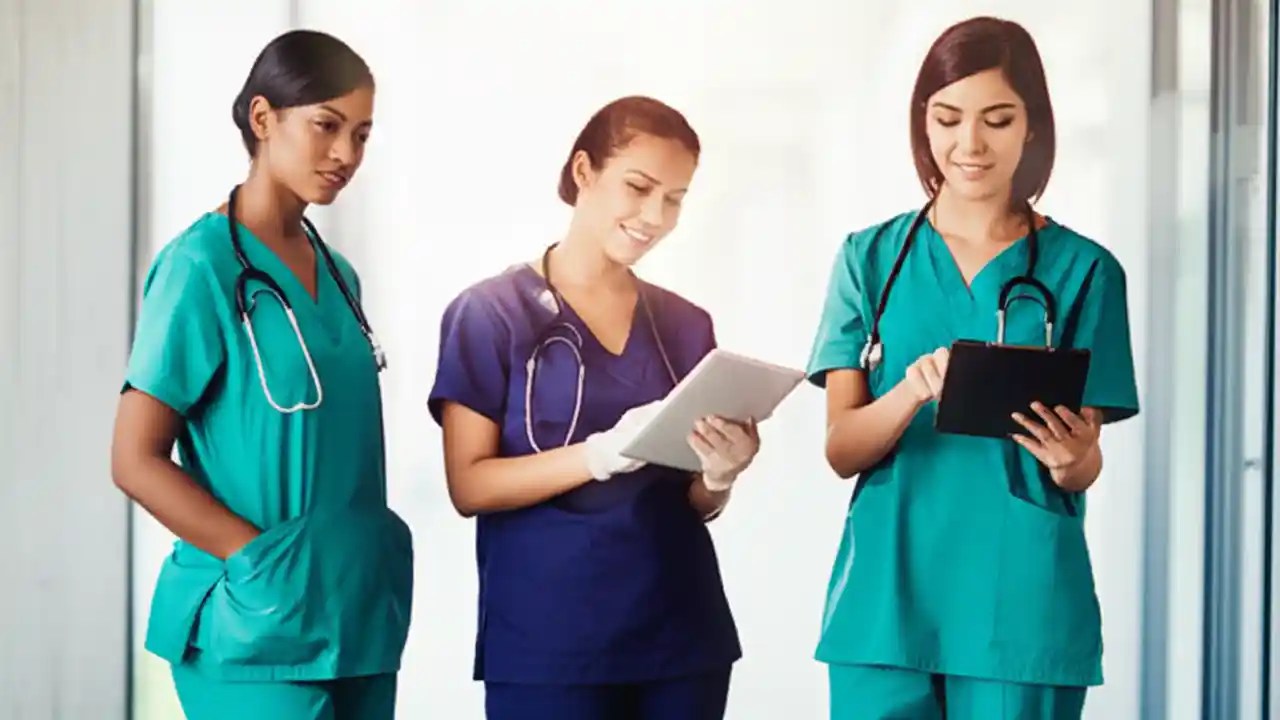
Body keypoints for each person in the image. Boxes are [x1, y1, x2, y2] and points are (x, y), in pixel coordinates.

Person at [805, 17, 1140, 720]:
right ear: (922, 123)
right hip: (886, 603)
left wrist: (1074, 458)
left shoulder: (1086, 271)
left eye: (997, 119)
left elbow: (1082, 464)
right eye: (948, 118)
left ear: (1032, 125)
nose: (970, 144)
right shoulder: (870, 260)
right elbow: (841, 450)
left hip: (1018, 602)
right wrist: (908, 394)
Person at [110, 30, 412, 720]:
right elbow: (133, 459)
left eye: (362, 135)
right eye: (326, 125)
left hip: (357, 619)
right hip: (255, 627)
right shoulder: (200, 268)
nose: (346, 154)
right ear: (263, 118)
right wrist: (256, 560)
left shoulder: (340, 276)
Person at [428, 95, 760, 720]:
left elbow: (693, 501)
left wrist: (720, 477)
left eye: (675, 199)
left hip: (680, 638)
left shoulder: (686, 325)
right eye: (638, 187)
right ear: (584, 171)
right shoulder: (490, 314)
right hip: (549, 644)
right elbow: (469, 485)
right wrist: (599, 455)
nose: (655, 216)